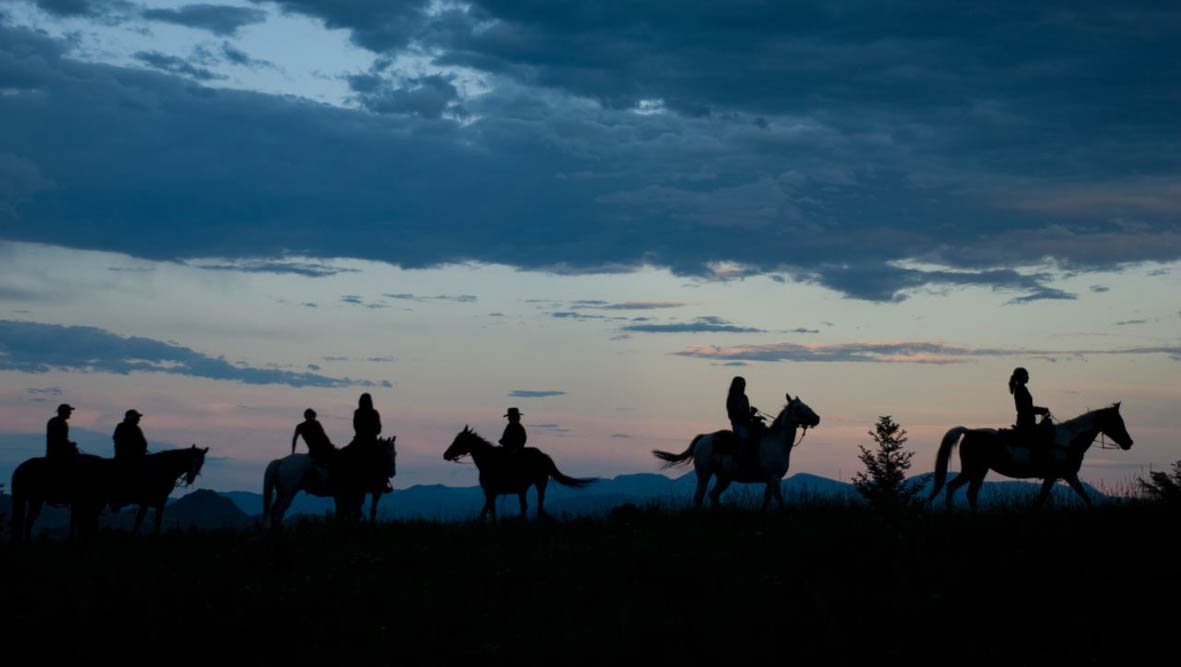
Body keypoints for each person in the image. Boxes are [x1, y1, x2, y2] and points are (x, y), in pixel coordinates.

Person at [1009, 367, 1054, 469]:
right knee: (1042, 439)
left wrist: (1040, 410)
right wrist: (1041, 410)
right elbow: (1024, 409)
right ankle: (1038, 464)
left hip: (1027, 422)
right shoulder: (1020, 389)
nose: (1028, 377)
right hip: (1026, 423)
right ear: (1021, 376)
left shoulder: (1021, 388)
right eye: (1026, 375)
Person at [352, 393, 389, 492]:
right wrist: (371, 432)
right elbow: (379, 429)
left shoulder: (357, 412)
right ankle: (384, 481)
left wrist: (362, 432)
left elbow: (355, 427)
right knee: (382, 459)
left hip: (358, 441)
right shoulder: (374, 413)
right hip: (371, 441)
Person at [726, 377, 764, 466]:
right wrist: (752, 414)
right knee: (745, 438)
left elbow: (746, 414)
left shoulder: (744, 397)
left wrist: (754, 416)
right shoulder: (732, 398)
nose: (742, 386)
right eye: (740, 384)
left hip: (746, 423)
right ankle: (741, 460)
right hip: (738, 424)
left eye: (743, 384)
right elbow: (737, 415)